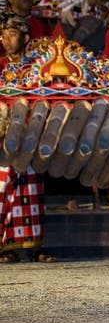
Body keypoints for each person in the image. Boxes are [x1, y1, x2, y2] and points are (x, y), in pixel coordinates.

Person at [0, 15, 54, 263]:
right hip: (3, 135)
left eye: (11, 34)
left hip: (31, 134)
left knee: (30, 191)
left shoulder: (38, 68)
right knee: (2, 189)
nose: (5, 39)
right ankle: (4, 247)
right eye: (3, 35)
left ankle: (34, 245)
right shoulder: (0, 65)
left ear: (25, 37)